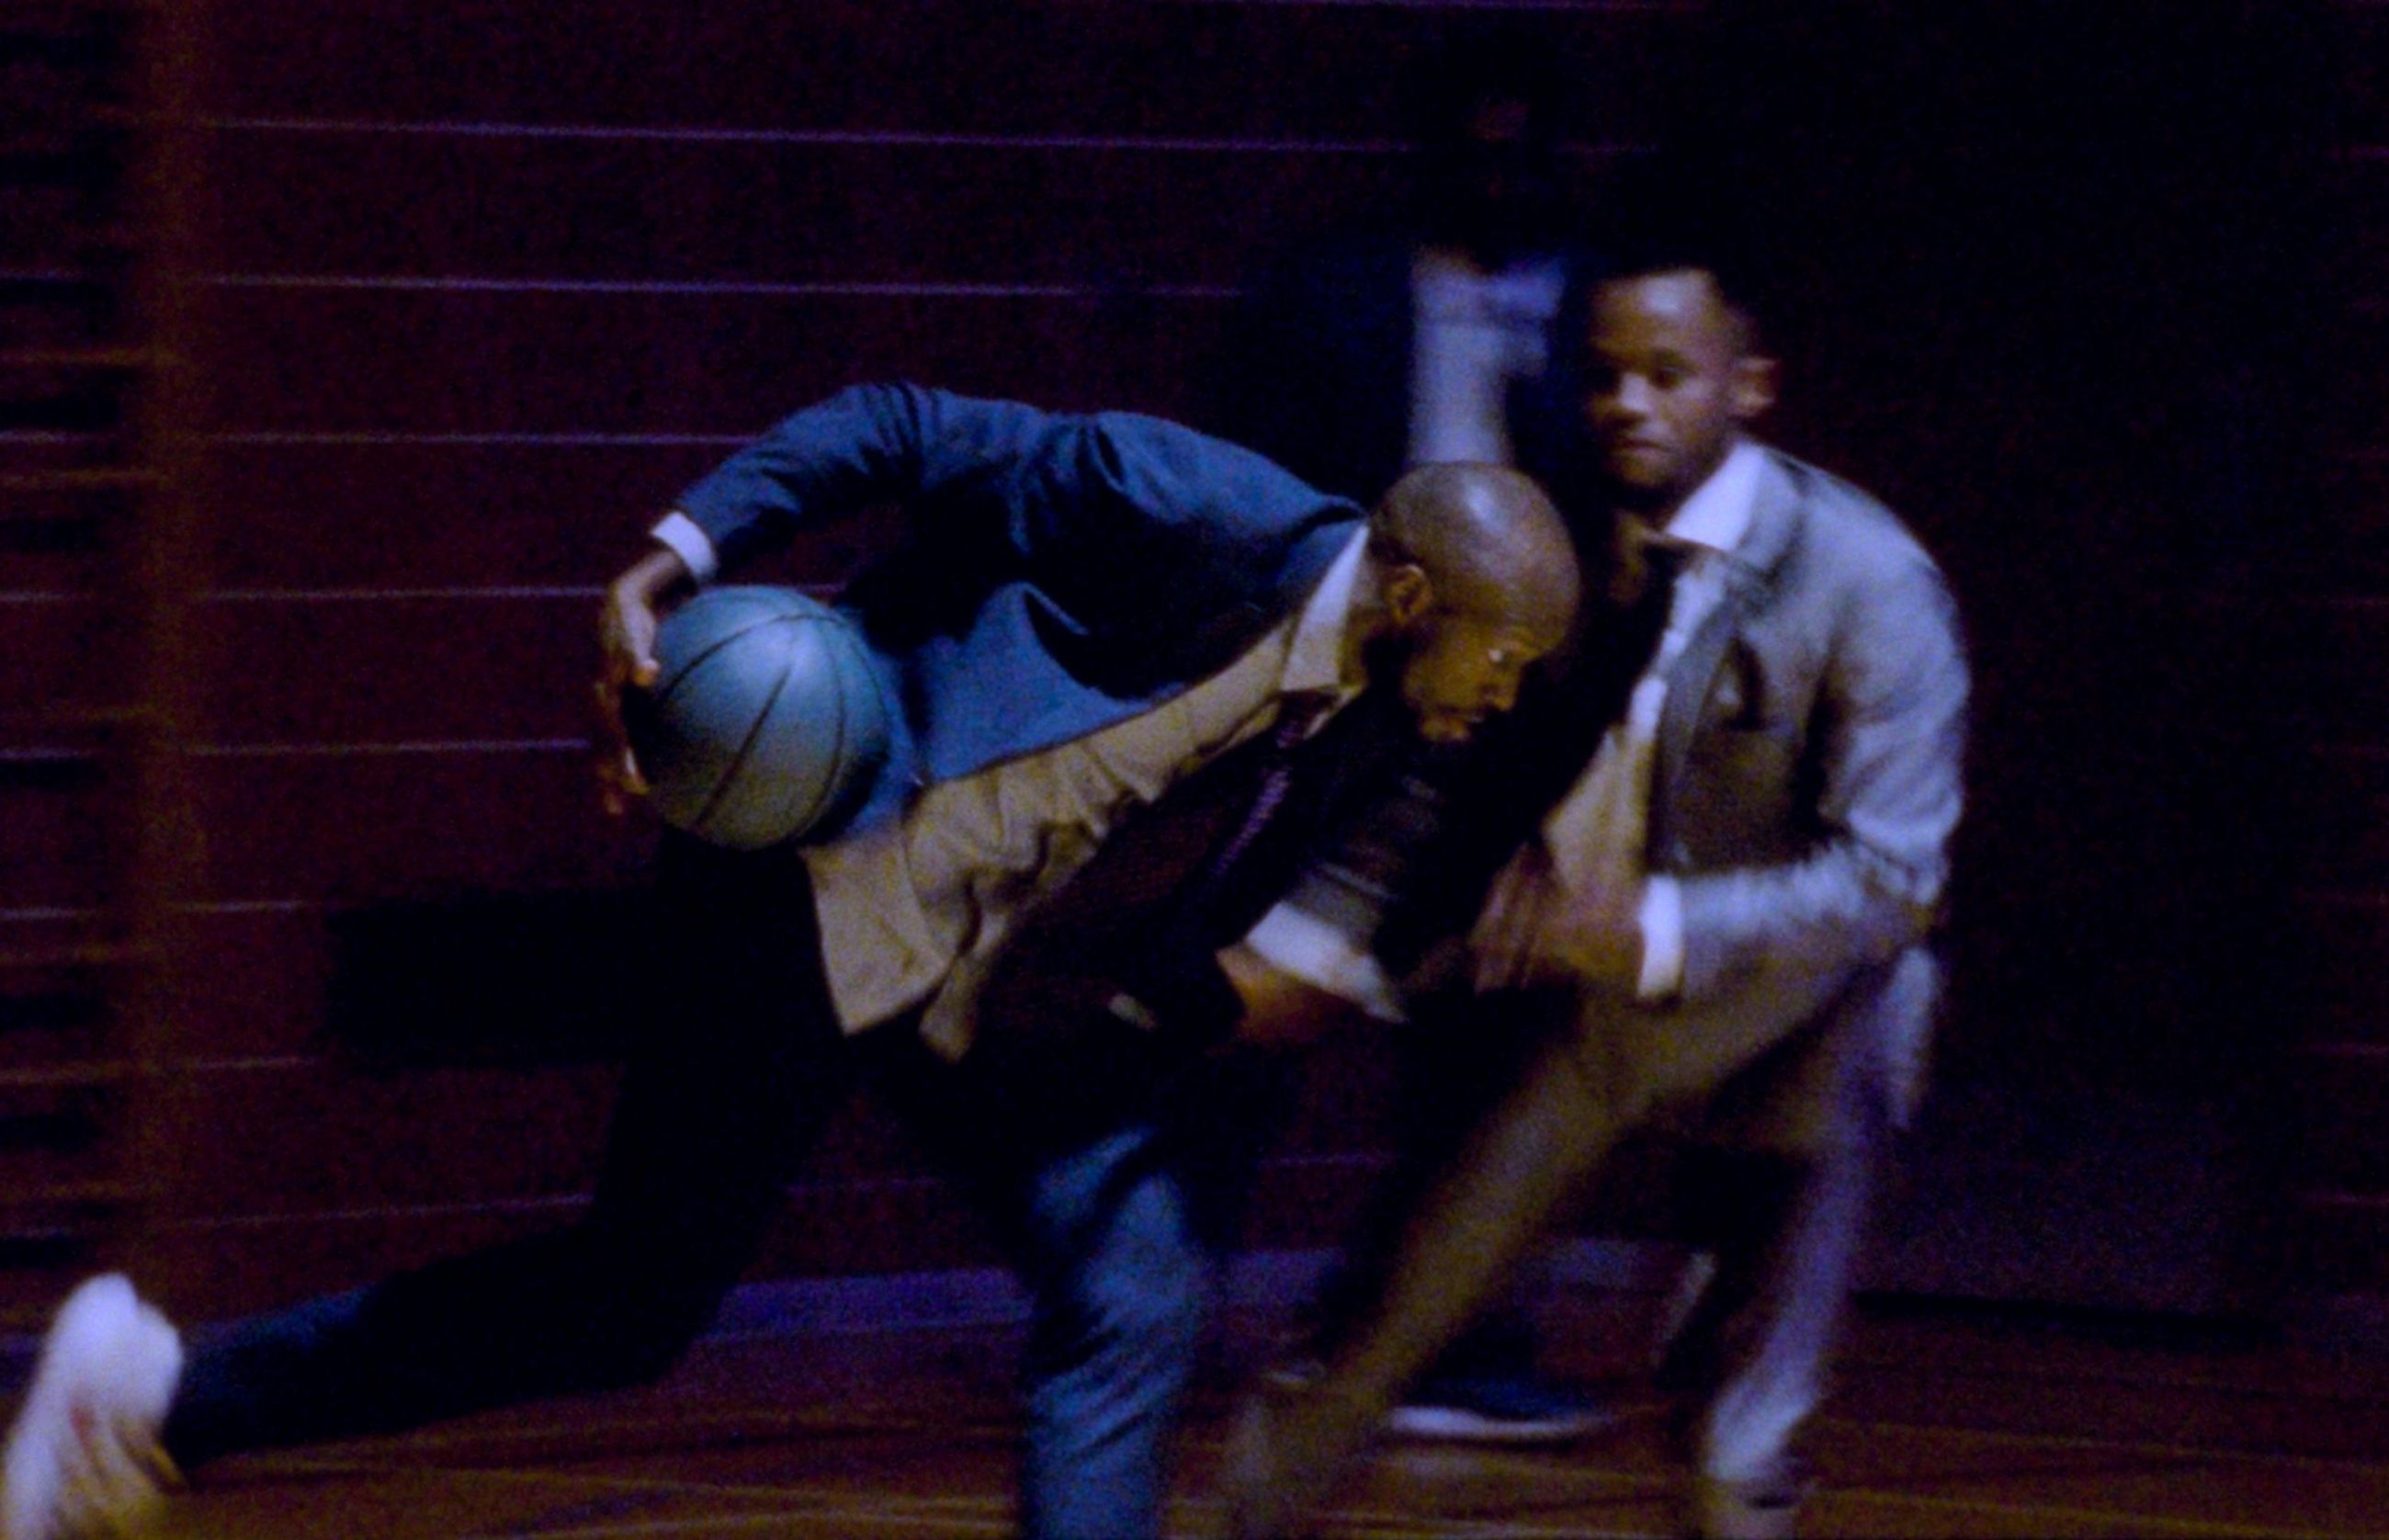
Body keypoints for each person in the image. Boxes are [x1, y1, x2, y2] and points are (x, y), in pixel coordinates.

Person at [0, 384, 1579, 1540]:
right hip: (799, 876)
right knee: (632, 1305)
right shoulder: (1192, 505)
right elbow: (902, 427)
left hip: (969, 968)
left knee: (1129, 1283)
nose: (1503, 693)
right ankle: (150, 1396)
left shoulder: (1386, 727)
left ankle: (158, 1399)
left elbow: (1263, 940)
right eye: (1501, 656)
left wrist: (1256, 989)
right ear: (1418, 596)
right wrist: (676, 555)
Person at [1219, 232, 1969, 1540]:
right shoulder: (1552, 539)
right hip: (1589, 1014)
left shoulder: (1869, 579)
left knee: (1737, 1457)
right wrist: (1330, 933)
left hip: (1807, 1024)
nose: (1629, 404)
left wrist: (1656, 923)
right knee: (1359, 1357)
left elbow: (1891, 883)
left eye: (1669, 375)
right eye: (1607, 375)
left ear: (1749, 385)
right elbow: (1444, 762)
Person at [1211, 29, 1619, 1444]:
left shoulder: (1588, 317)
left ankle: (1447, 1332)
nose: (1503, 172)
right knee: (1257, 1010)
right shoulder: (1334, 295)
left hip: (1520, 728)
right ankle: (1154, 1281)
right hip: (1348, 704)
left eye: (1528, 146)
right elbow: (1247, 481)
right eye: (1479, 145)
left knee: (1494, 1034)